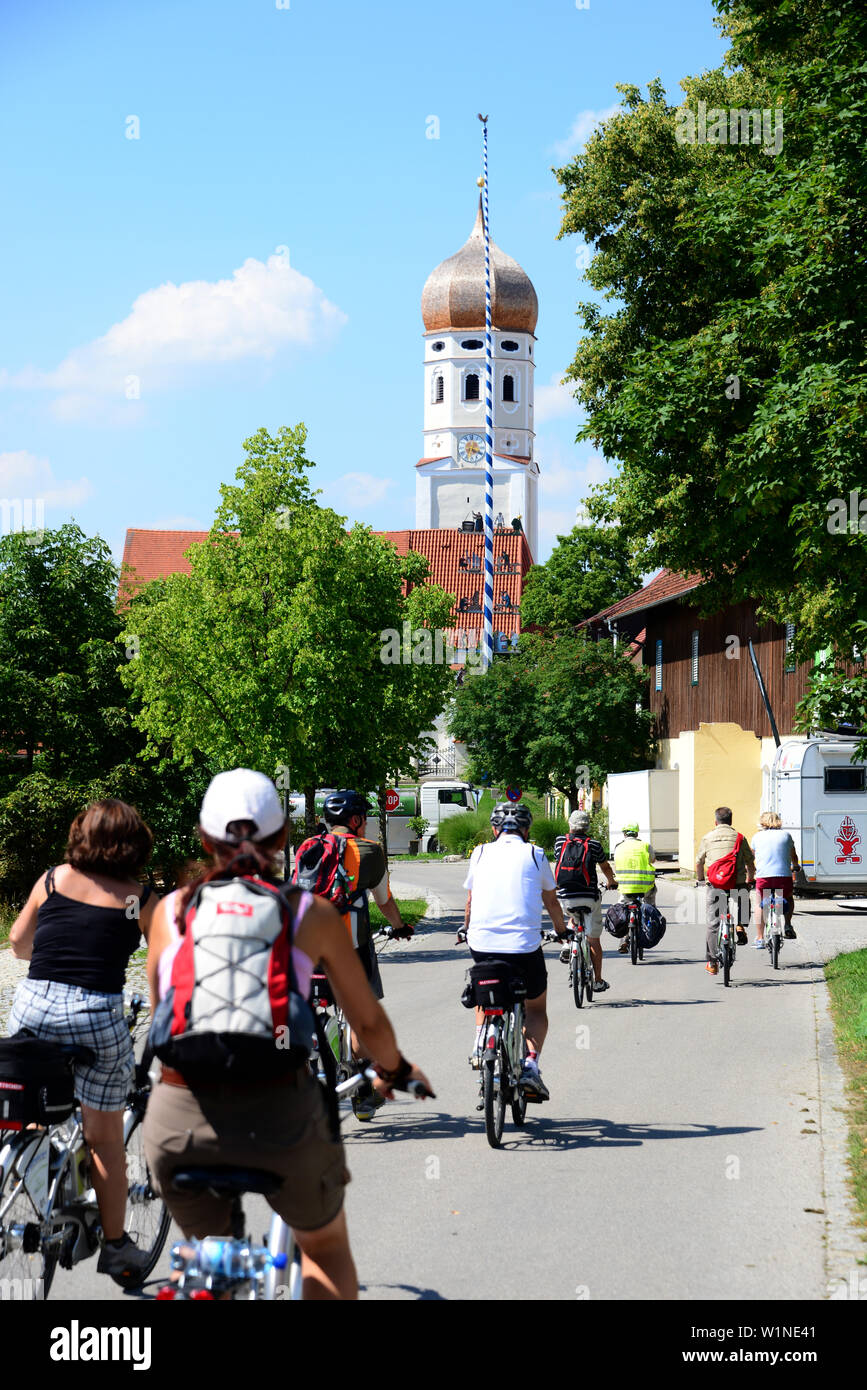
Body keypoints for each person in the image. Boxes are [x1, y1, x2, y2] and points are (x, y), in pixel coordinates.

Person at [143, 768, 432, 1301]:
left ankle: (214, 1271)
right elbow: (366, 1021)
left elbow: (167, 1016)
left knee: (211, 1254)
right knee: (324, 1249)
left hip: (178, 1119)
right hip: (279, 1110)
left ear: (205, 840)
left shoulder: (169, 912)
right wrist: (394, 1069)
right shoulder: (308, 913)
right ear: (282, 841)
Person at [8, 799, 159, 1285]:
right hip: (94, 1015)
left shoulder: (53, 880)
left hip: (31, 1005)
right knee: (104, 1139)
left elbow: (17, 942)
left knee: (32, 1106)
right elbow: (165, 967)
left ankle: (31, 1176)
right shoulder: (138, 898)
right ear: (134, 844)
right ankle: (115, 1247)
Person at [308, 789, 413, 1119]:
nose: (365, 824)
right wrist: (399, 927)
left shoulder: (309, 848)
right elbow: (383, 900)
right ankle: (363, 1095)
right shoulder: (370, 851)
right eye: (364, 819)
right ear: (355, 821)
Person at [462, 802, 568, 1101]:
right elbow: (551, 901)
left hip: (481, 943)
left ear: (495, 830)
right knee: (535, 1008)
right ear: (527, 829)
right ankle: (531, 1066)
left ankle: (481, 1045)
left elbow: (471, 900)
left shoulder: (480, 852)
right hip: (523, 948)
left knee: (488, 988)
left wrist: (465, 928)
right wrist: (561, 932)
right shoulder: (535, 854)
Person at [552, 810, 618, 992]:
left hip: (566, 896)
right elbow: (605, 867)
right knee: (593, 939)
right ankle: (597, 980)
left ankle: (568, 944)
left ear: (570, 825)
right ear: (587, 826)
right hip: (589, 896)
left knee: (572, 916)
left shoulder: (560, 842)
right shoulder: (594, 845)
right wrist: (611, 882)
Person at [695, 806, 756, 975]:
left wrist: (700, 880)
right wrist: (750, 880)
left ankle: (712, 962)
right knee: (744, 899)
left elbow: (699, 862)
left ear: (716, 822)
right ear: (731, 821)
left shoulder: (707, 838)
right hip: (736, 883)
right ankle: (740, 926)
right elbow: (750, 863)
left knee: (713, 923)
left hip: (716, 885)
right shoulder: (740, 837)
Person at [751, 811, 800, 944]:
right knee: (788, 897)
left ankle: (760, 938)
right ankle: (788, 924)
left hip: (764, 878)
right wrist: (796, 866)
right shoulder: (786, 835)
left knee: (759, 903)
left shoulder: (757, 837)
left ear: (762, 822)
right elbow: (793, 855)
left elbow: (751, 857)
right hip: (783, 877)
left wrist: (751, 871)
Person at [611, 822, 656, 954]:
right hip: (644, 887)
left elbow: (616, 863)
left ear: (624, 834)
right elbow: (652, 860)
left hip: (625, 887)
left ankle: (624, 938)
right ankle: (648, 927)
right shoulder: (645, 846)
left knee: (622, 909)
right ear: (637, 833)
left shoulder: (618, 847)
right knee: (649, 906)